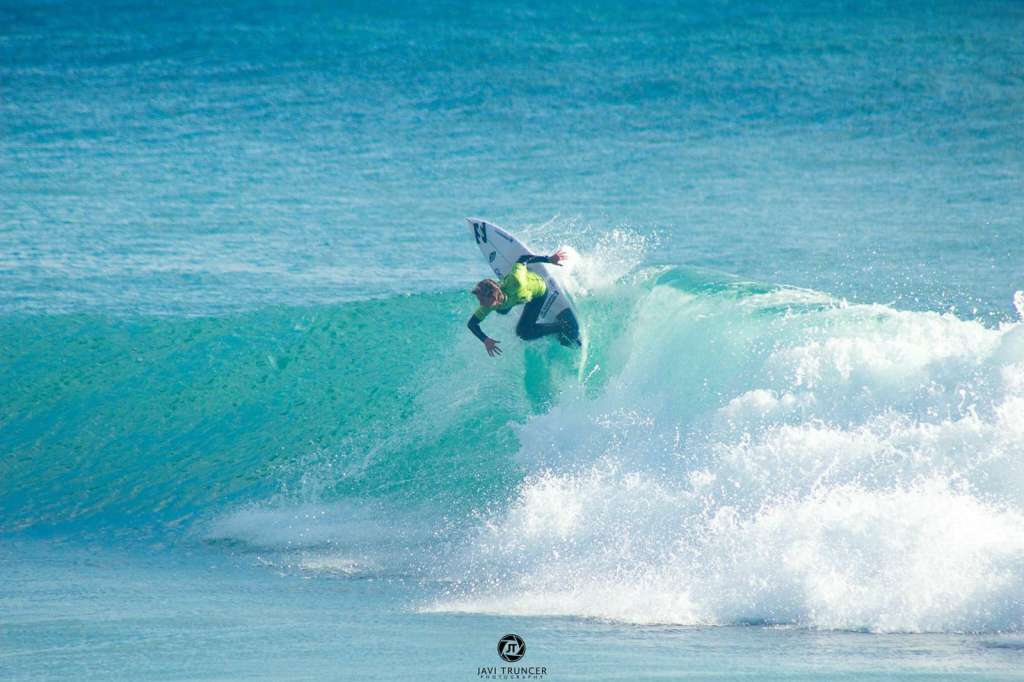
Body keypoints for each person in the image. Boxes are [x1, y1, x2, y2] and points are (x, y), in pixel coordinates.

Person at [467, 249, 570, 356]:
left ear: (493, 297)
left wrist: (548, 259)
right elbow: (472, 324)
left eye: (482, 300)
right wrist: (485, 340)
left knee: (523, 333)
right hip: (512, 299)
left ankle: (562, 326)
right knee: (502, 311)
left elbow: (523, 259)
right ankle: (506, 306)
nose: (481, 304)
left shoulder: (516, 281)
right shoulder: (488, 306)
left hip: (539, 290)